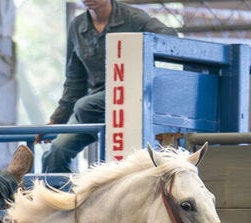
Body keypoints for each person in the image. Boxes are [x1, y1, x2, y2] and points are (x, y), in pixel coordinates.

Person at [41, 0, 175, 173]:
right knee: (56, 153)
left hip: (129, 99)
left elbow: (170, 37)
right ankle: (70, 198)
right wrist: (56, 120)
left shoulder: (134, 18)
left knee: (84, 106)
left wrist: (139, 47)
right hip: (95, 107)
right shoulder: (77, 26)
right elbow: (74, 81)